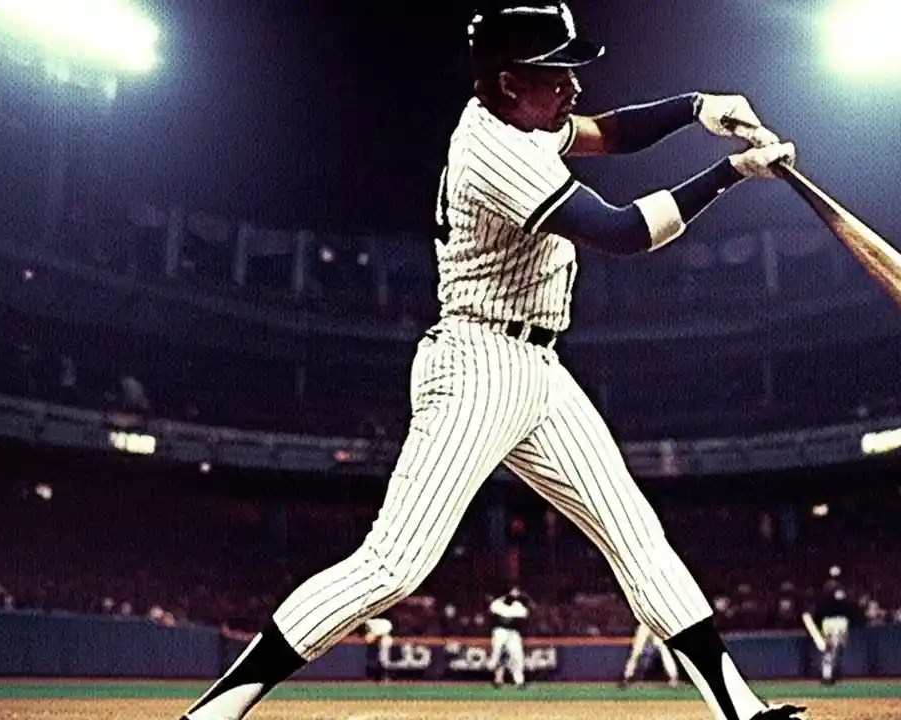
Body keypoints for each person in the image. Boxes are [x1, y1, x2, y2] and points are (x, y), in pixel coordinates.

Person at [179, 3, 801, 719]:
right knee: (393, 565)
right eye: (556, 74)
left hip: (538, 369)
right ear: (508, 82)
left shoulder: (526, 120)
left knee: (637, 534)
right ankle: (217, 710)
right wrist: (729, 172)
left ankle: (741, 709)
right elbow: (623, 232)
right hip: (476, 363)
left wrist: (699, 107)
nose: (573, 87)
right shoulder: (491, 151)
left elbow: (610, 134)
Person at [801, 581, 858, 685]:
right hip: (834, 622)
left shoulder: (828, 597)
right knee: (831, 651)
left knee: (832, 651)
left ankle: (830, 674)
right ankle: (828, 675)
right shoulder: (831, 597)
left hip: (834, 622)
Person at [488, 587, 530, 688]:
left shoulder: (518, 605)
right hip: (500, 631)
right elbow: (495, 610)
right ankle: (495, 672)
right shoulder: (497, 603)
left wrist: (521, 600)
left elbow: (525, 614)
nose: (514, 596)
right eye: (512, 594)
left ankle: (519, 681)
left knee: (518, 657)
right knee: (496, 655)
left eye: (516, 594)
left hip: (513, 633)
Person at [620, 622, 680, 689]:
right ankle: (626, 677)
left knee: (664, 650)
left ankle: (673, 678)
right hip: (645, 625)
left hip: (657, 626)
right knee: (636, 652)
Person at [362, 617, 394, 684]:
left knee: (383, 659)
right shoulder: (370, 625)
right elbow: (368, 639)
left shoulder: (385, 626)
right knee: (374, 659)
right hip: (376, 641)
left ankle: (383, 677)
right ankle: (376, 677)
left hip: (383, 634)